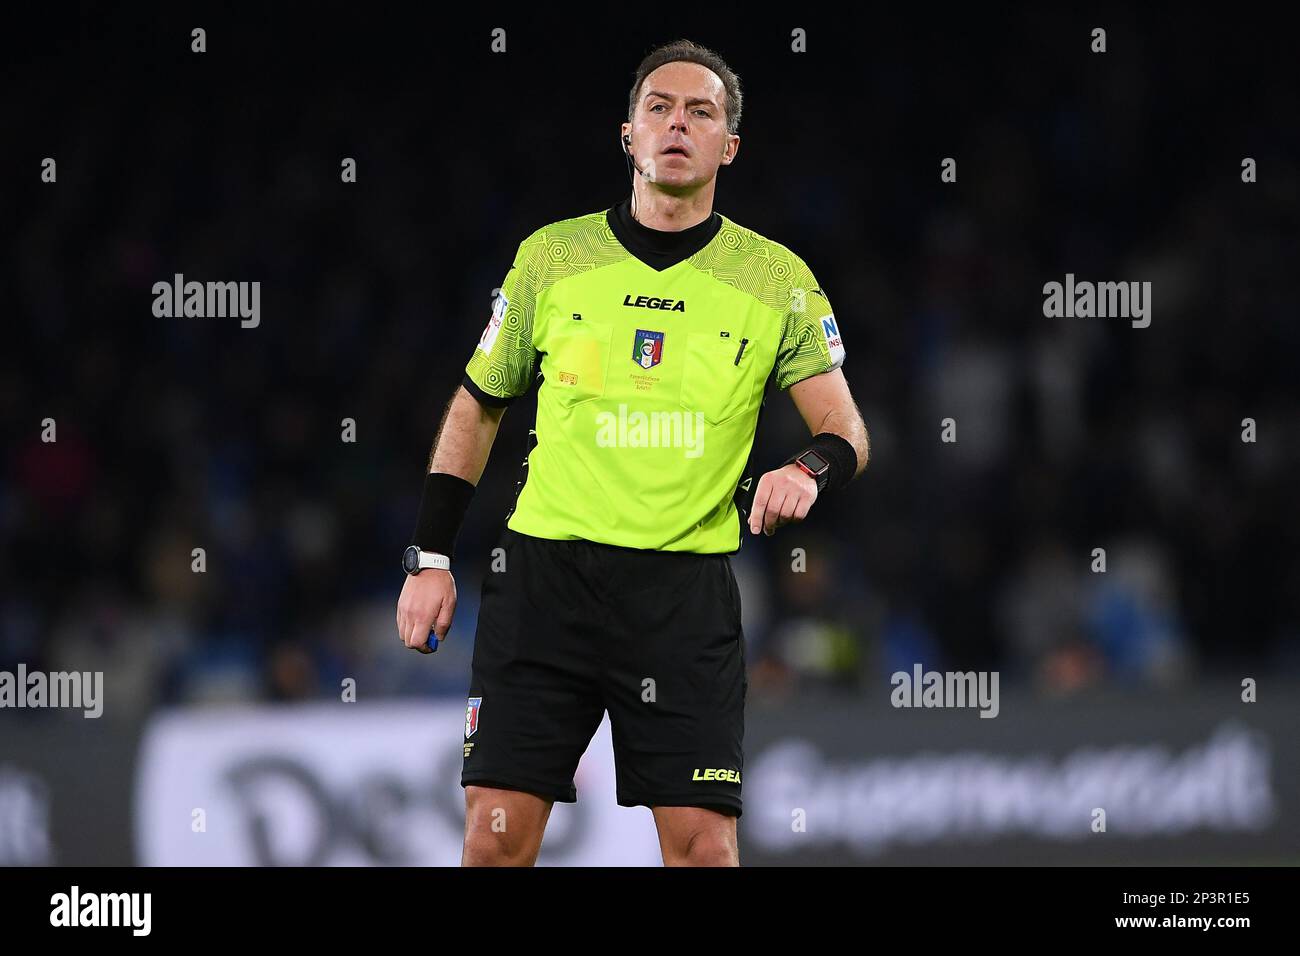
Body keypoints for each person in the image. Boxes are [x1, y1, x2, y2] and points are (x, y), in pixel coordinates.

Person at [396, 38, 869, 866]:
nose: (677, 124)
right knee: (494, 840)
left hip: (682, 596)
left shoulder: (776, 279)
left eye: (701, 112)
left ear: (729, 146)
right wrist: (431, 554)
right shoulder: (553, 257)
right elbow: (477, 407)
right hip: (544, 583)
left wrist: (808, 467)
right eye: (659, 108)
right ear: (628, 133)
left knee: (703, 851)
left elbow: (845, 430)